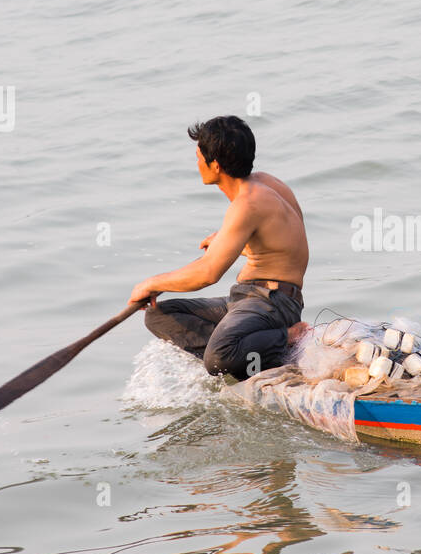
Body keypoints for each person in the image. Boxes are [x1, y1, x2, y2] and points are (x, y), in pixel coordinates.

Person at [128, 116, 311, 378]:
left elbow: (208, 273)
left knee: (218, 358)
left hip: (272, 303)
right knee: (158, 316)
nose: (197, 163)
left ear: (215, 165)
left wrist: (150, 284)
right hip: (248, 298)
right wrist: (228, 241)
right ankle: (248, 347)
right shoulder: (267, 183)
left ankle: (285, 338)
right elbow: (285, 246)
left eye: (199, 156)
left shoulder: (247, 204)